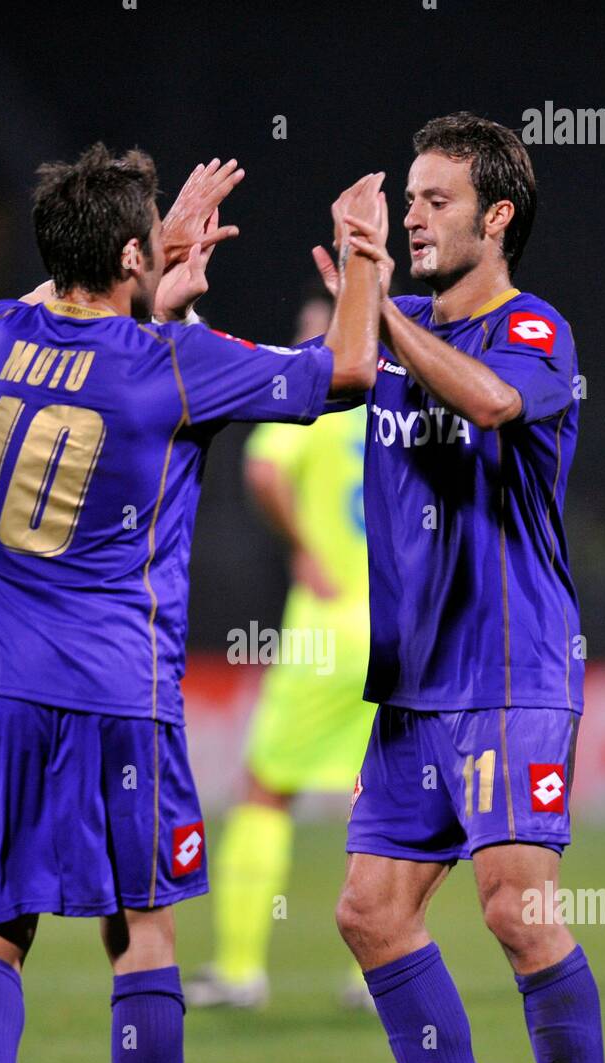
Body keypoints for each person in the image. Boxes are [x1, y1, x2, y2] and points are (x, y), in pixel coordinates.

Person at [0, 143, 385, 1063]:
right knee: (142, 932)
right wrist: (366, 260)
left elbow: (75, 300)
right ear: (134, 255)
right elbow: (348, 371)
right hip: (115, 696)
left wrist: (155, 255)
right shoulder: (172, 362)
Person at [311, 112, 605, 1063]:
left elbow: (491, 404)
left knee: (515, 908)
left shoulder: (533, 330)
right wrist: (353, 287)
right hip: (413, 689)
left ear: (494, 218)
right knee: (368, 911)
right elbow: (335, 377)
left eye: (435, 200)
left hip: (509, 667)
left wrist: (386, 308)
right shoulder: (394, 339)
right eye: (407, 199)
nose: (413, 215)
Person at [185, 288, 374, 1011]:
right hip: (396, 629)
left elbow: (262, 469)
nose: (301, 338)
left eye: (309, 327)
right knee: (383, 802)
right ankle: (377, 976)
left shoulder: (321, 388)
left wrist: (302, 550)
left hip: (328, 627)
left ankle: (238, 970)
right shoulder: (399, 399)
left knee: (266, 787)